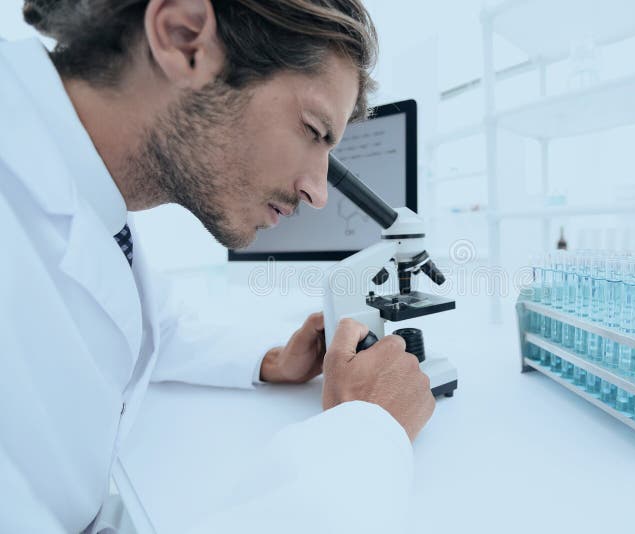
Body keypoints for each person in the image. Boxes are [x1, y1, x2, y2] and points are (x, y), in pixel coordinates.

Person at [0, 0, 435, 532]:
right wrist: (369, 433)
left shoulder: (90, 196)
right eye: (313, 129)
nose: (319, 193)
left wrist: (271, 360)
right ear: (183, 39)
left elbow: (148, 323)